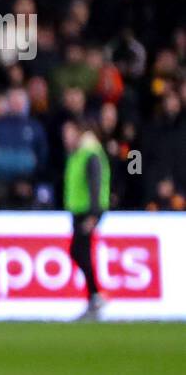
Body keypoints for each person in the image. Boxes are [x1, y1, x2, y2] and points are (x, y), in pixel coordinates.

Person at [62, 119, 110, 318]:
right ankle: (94, 297)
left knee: (79, 251)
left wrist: (94, 213)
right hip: (79, 209)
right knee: (79, 252)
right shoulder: (78, 154)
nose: (65, 138)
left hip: (87, 211)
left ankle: (96, 295)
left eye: (69, 133)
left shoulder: (89, 154)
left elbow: (95, 184)